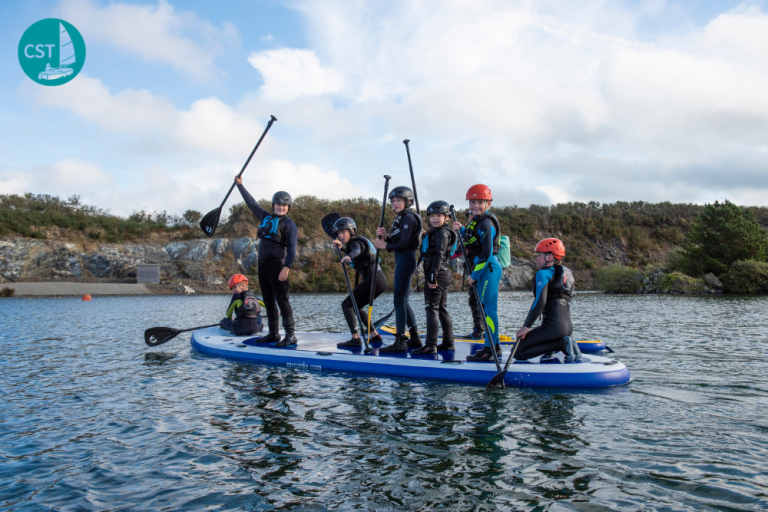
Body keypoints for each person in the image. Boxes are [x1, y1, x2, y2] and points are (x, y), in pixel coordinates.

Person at [235, 176, 298, 347]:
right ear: (273, 205)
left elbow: (292, 248)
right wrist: (240, 186)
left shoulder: (290, 225)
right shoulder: (264, 216)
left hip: (278, 265)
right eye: (278, 205)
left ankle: (290, 335)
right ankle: (273, 334)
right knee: (268, 300)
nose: (281, 207)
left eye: (284, 205)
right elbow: (251, 203)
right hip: (263, 265)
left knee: (282, 300)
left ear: (288, 207)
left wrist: (287, 267)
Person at [453, 184, 503, 363]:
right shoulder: (477, 221)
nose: (475, 205)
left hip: (488, 268)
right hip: (484, 269)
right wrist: (463, 230)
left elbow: (487, 252)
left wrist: (473, 275)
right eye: (472, 202)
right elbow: (475, 239)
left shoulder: (486, 222)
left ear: (488, 204)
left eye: (479, 202)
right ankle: (494, 346)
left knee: (489, 311)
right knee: (485, 309)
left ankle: (489, 350)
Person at [514, 238, 581, 362]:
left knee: (518, 352)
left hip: (553, 328)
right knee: (544, 330)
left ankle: (559, 345)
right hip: (568, 328)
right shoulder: (567, 272)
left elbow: (540, 302)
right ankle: (559, 345)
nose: (536, 259)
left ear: (549, 257)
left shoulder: (543, 274)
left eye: (539, 255)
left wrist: (526, 327)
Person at [374, 186, 422, 352]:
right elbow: (398, 238)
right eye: (393, 201)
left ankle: (400, 341)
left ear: (408, 202)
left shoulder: (409, 218)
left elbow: (404, 244)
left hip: (407, 258)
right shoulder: (402, 218)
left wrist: (384, 245)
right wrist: (386, 236)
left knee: (398, 299)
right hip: (402, 259)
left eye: (398, 200)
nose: (395, 203)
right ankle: (414, 339)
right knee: (403, 300)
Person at [331, 217, 387, 348]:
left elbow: (357, 251)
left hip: (373, 279)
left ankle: (355, 338)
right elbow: (358, 251)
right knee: (356, 306)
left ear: (352, 231)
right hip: (379, 279)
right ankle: (375, 336)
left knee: (347, 305)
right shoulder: (356, 243)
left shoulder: (355, 243)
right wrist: (343, 249)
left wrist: (349, 256)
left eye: (343, 232)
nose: (341, 235)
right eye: (339, 233)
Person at [413, 200, 457, 354]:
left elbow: (439, 254)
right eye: (432, 216)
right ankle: (448, 342)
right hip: (442, 273)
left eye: (439, 215)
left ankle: (430, 345)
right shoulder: (437, 233)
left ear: (447, 218)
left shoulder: (442, 233)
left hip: (437, 274)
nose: (435, 218)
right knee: (441, 308)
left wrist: (432, 276)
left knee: (432, 308)